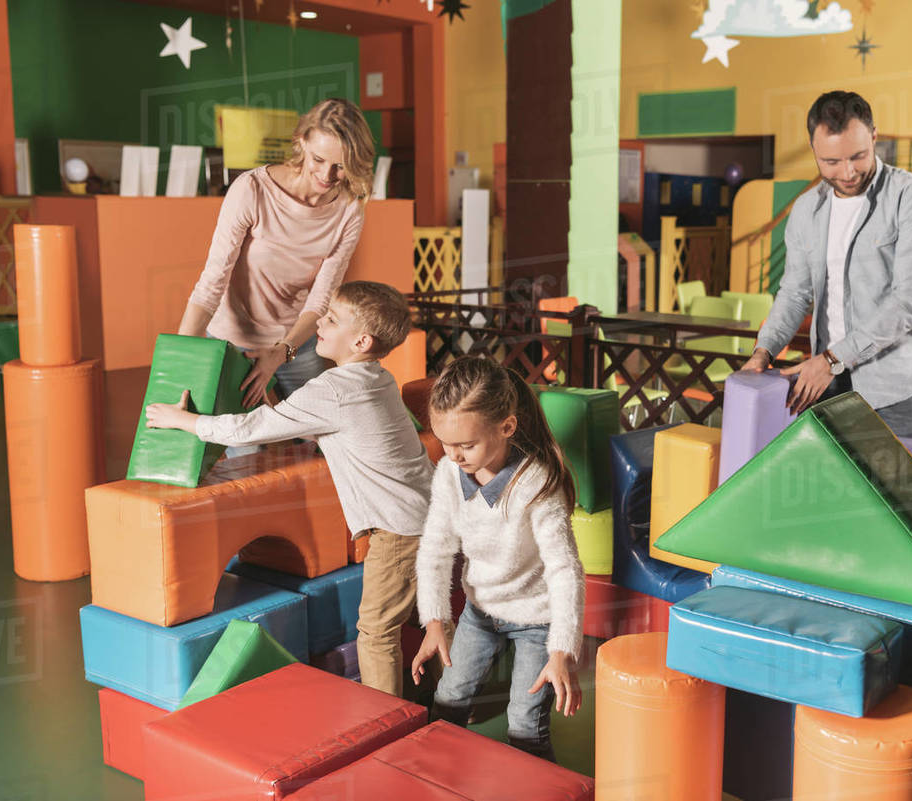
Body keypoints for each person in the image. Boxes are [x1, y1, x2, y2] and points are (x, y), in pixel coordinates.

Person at [147, 281, 433, 698]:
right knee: (426, 615)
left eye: (332, 319)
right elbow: (320, 425)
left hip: (399, 530)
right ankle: (441, 697)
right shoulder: (377, 378)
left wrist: (184, 421)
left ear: (361, 340)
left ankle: (385, 720)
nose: (320, 320)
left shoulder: (332, 390)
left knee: (376, 631)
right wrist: (271, 402)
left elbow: (248, 431)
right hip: (428, 516)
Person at [741, 90, 912, 440]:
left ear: (874, 136)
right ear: (814, 150)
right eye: (831, 162)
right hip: (827, 387)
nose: (848, 172)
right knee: (835, 494)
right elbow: (794, 293)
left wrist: (831, 360)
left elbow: (908, 303)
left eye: (858, 156)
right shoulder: (806, 210)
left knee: (906, 496)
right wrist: (764, 351)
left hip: (900, 392)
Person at [411, 357, 585, 761]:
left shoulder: (537, 483)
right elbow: (436, 548)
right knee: (449, 699)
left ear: (506, 427)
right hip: (481, 611)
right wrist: (435, 622)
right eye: (446, 443)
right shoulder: (448, 473)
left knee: (524, 724)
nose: (454, 456)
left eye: (466, 445)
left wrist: (561, 651)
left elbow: (566, 571)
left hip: (536, 620)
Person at [178, 98, 375, 408]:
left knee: (322, 436)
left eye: (341, 166)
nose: (327, 174)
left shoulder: (349, 210)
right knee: (247, 448)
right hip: (235, 340)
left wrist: (283, 350)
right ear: (301, 141)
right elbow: (212, 281)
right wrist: (180, 366)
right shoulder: (252, 190)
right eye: (318, 159)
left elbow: (323, 296)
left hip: (298, 339)